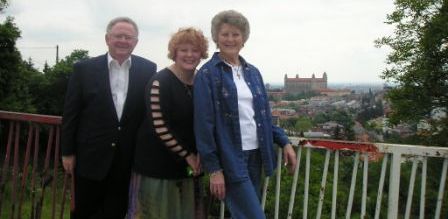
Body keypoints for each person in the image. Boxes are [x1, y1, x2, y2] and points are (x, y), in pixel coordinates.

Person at [193, 10, 297, 219]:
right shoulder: (207, 74)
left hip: (256, 155)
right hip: (231, 158)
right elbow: (204, 126)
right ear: (216, 37)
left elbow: (264, 117)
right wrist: (214, 169)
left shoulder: (252, 72)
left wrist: (284, 142)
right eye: (225, 34)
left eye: (235, 34)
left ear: (244, 39)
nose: (230, 39)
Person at [61, 17, 157, 219]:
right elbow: (71, 113)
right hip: (90, 157)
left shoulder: (148, 69)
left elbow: (148, 114)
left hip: (126, 159)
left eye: (128, 37)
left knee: (116, 211)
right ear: (107, 39)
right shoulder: (84, 69)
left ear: (136, 42)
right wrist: (67, 152)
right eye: (118, 36)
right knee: (85, 211)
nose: (123, 40)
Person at [127, 27, 208, 219]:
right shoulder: (160, 82)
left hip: (189, 167)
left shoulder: (202, 82)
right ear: (175, 53)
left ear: (201, 53)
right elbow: (160, 126)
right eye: (183, 50)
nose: (189, 55)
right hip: (157, 167)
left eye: (195, 50)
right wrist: (187, 155)